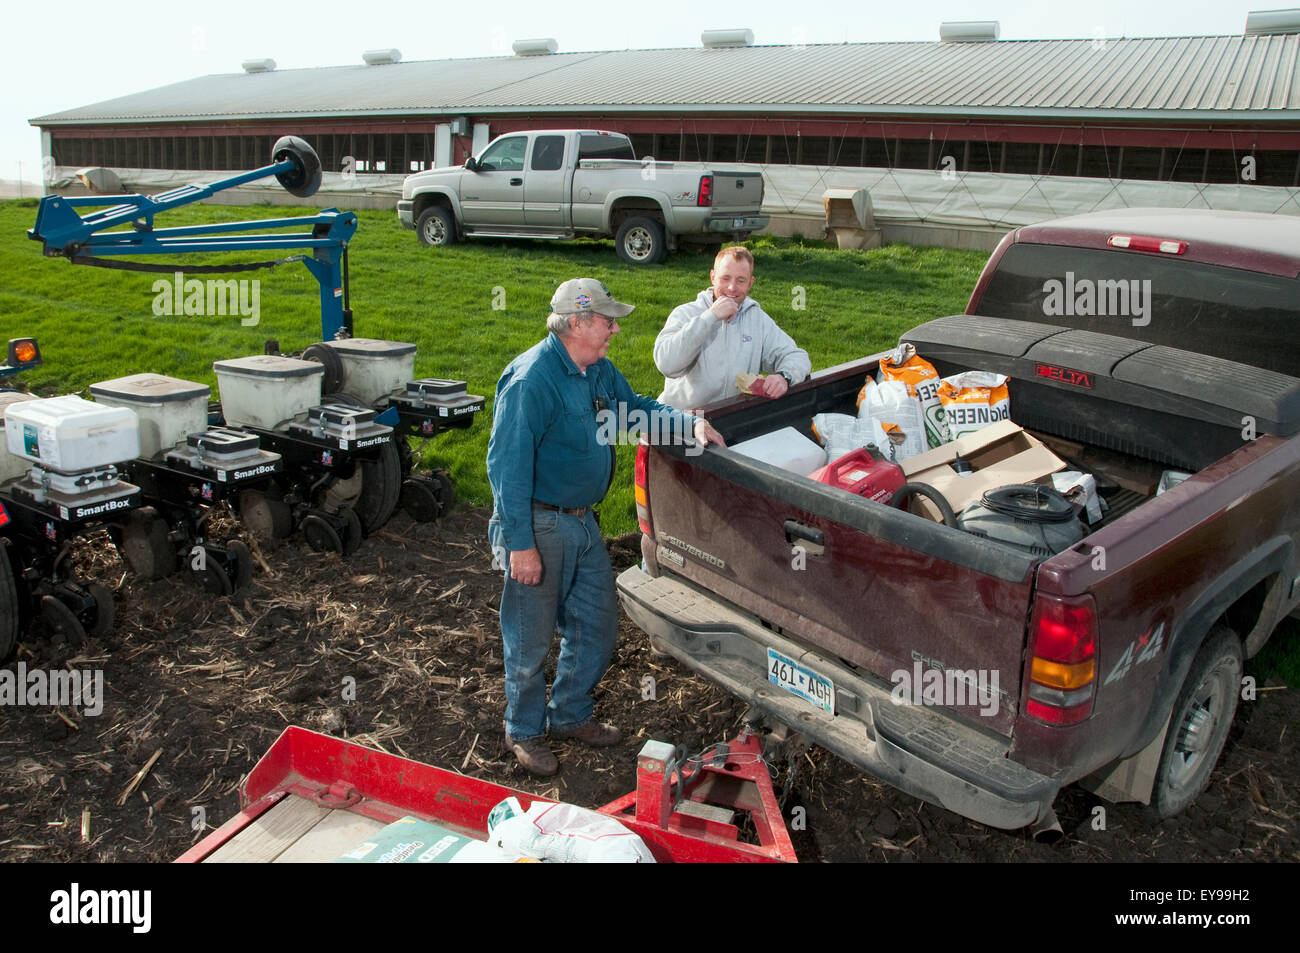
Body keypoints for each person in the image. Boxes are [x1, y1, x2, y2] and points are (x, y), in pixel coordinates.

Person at [486, 277, 725, 776]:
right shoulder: (532, 381)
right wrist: (519, 547)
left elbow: (635, 409)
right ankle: (524, 730)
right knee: (529, 640)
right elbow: (506, 469)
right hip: (537, 523)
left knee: (596, 628)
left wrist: (689, 423)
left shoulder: (595, 370)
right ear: (577, 323)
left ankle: (570, 714)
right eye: (606, 319)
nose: (615, 328)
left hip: (582, 524)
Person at [654, 245, 812, 411]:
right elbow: (666, 364)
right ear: (713, 277)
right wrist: (710, 317)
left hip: (732, 415)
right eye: (725, 278)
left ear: (750, 283)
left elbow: (797, 356)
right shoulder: (686, 313)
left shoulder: (757, 319)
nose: (732, 288)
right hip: (683, 419)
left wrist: (784, 377)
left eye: (741, 280)